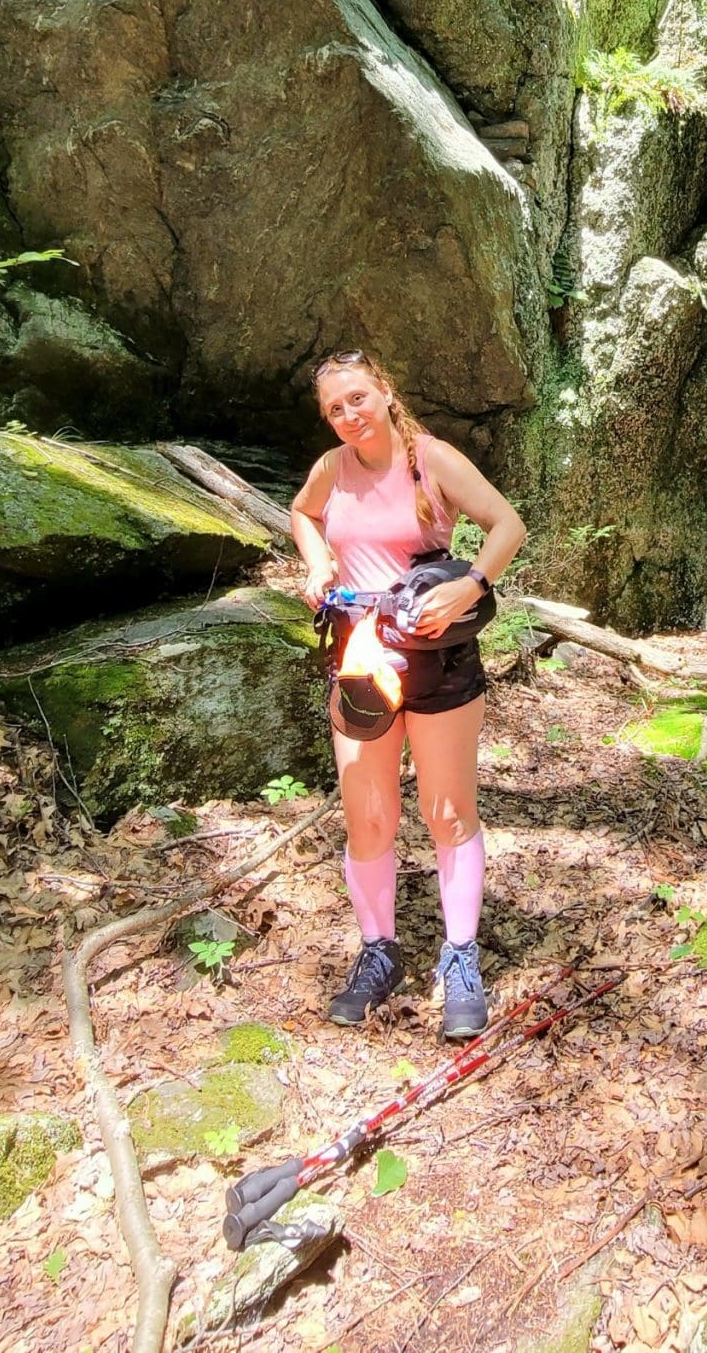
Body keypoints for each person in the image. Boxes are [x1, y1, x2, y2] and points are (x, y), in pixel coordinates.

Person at [291, 350, 526, 1038]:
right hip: (358, 657)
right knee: (368, 815)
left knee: (447, 809)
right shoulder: (331, 469)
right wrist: (318, 560)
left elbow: (506, 523)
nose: (348, 416)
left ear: (386, 391)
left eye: (357, 398)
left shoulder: (432, 459)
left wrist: (472, 583)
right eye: (334, 408)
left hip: (436, 654)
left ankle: (459, 957)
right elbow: (303, 514)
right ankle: (379, 951)